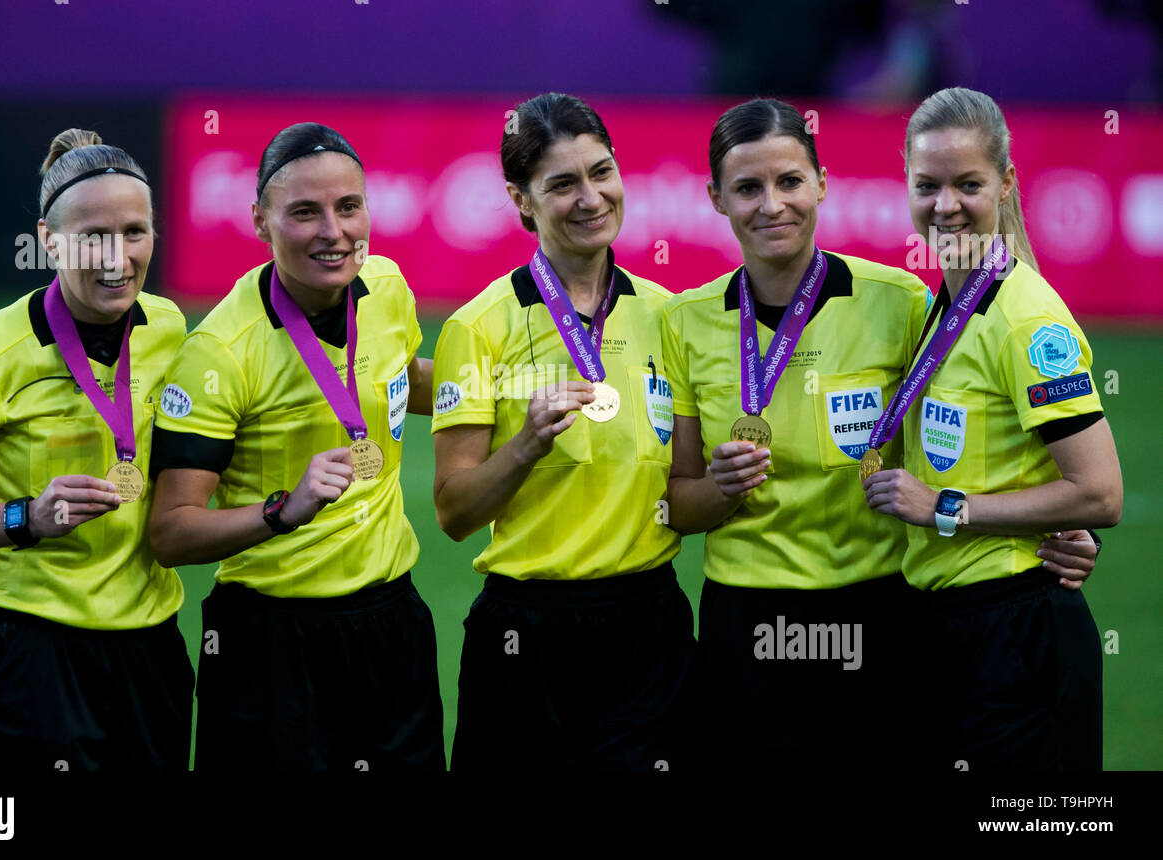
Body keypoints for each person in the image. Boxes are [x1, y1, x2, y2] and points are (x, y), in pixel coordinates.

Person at [660, 98, 1102, 772]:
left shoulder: (902, 301)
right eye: (747, 187)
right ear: (716, 196)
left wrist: (1068, 527)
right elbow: (675, 506)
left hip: (883, 613)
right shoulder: (685, 321)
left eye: (789, 181)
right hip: (745, 624)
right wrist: (718, 491)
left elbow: (996, 428)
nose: (771, 204)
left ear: (822, 184)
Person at [0, 129, 193, 771]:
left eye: (135, 231)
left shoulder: (168, 328)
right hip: (33, 655)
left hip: (152, 649)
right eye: (92, 236)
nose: (118, 256)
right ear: (48, 240)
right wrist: (25, 518)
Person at [148, 122, 443, 771]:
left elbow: (398, 379)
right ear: (260, 218)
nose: (333, 232)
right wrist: (282, 510)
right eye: (305, 212)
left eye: (348, 207)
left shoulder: (387, 287)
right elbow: (170, 532)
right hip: (268, 643)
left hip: (391, 620)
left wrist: (502, 393)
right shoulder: (219, 354)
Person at [432, 93, 694, 771]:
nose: (590, 197)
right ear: (522, 201)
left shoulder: (673, 317)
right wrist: (523, 446)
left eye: (600, 171)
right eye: (562, 184)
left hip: (648, 625)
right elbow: (455, 512)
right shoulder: (478, 325)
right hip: (523, 633)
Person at [864, 87, 1122, 770]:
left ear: (1006, 184)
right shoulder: (938, 305)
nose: (946, 206)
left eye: (968, 184)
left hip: (1018, 633)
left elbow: (1100, 494)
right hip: (949, 630)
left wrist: (943, 507)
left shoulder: (1025, 318)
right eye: (928, 185)